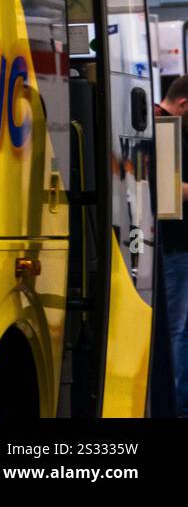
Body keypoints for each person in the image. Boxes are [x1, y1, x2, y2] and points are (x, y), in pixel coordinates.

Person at [156, 75, 188, 416]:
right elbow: (167, 189)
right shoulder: (163, 125)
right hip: (173, 247)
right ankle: (177, 404)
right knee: (176, 329)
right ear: (183, 102)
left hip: (180, 246)